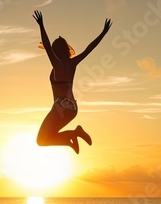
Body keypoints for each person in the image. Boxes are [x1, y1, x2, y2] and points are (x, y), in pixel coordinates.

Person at [33, 10, 111, 153]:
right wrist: (103, 33)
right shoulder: (73, 63)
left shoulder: (56, 64)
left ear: (56, 51)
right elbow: (89, 49)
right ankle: (74, 136)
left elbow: (47, 46)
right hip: (72, 108)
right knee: (45, 138)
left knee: (41, 140)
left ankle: (74, 135)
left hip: (61, 106)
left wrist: (41, 25)